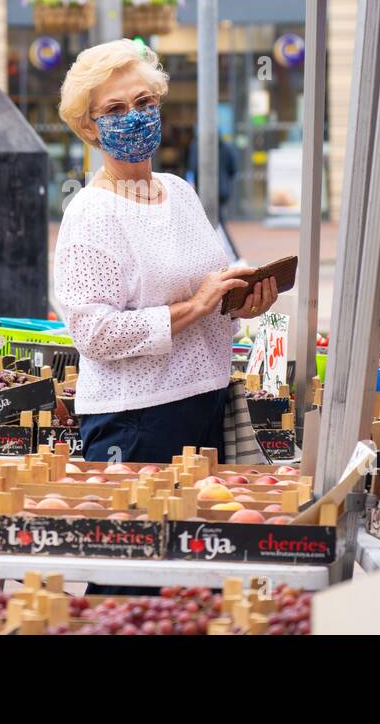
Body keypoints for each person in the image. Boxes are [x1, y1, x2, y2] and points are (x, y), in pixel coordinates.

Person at [53, 39, 278, 465]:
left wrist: (239, 302)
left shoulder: (179, 191)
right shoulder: (92, 212)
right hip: (137, 421)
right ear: (88, 128)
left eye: (144, 101)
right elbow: (93, 333)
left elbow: (210, 288)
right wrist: (195, 306)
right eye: (115, 110)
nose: (134, 116)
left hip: (207, 403)